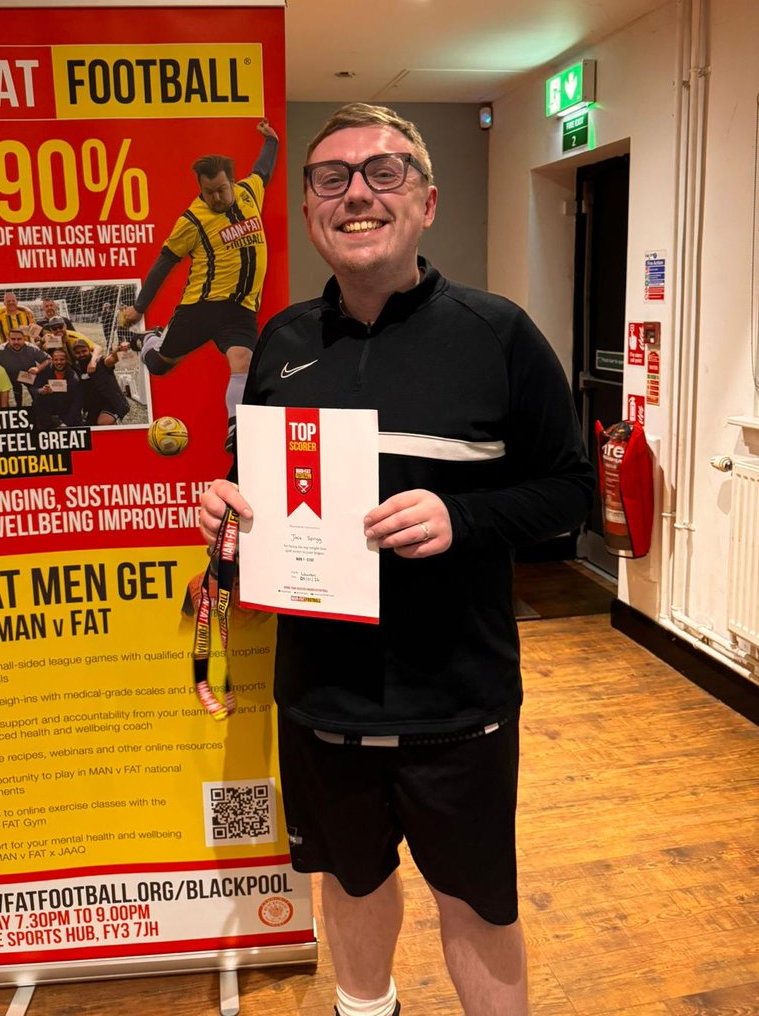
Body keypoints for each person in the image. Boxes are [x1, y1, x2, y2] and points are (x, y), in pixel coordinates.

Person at [199, 104, 595, 1016]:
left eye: (384, 173)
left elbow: (572, 492)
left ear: (426, 202)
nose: (357, 195)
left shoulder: (497, 333)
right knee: (351, 881)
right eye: (330, 178)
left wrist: (464, 516)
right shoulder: (283, 343)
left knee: (478, 905)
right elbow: (253, 487)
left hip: (458, 699)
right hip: (322, 695)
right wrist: (225, 514)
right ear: (308, 209)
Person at [121, 119, 279, 451]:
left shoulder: (249, 192)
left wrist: (272, 141)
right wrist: (138, 308)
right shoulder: (192, 220)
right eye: (209, 192)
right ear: (201, 188)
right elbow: (165, 262)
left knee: (243, 362)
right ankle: (149, 340)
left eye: (221, 189)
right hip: (201, 308)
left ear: (232, 182)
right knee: (160, 366)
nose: (217, 197)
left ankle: (236, 429)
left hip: (241, 308)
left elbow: (263, 170)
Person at [70, 339, 131, 426]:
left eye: (84, 351)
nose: (81, 354)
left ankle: (115, 423)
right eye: (78, 353)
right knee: (89, 428)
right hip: (93, 406)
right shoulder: (76, 367)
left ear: (90, 350)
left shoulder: (99, 362)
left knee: (103, 422)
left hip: (111, 402)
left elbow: (112, 358)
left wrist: (120, 349)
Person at [0, 328, 51, 408]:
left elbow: (48, 359)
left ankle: (38, 409)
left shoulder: (32, 348)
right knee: (16, 395)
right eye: (13, 339)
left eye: (19, 339)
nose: (16, 342)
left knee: (36, 395)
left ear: (24, 338)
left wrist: (38, 368)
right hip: (10, 376)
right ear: (8, 339)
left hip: (28, 375)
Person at [32, 346, 83, 429]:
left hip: (67, 413)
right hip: (49, 413)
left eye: (62, 359)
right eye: (56, 360)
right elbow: (33, 389)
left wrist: (66, 423)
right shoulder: (44, 372)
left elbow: (77, 402)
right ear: (52, 360)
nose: (59, 362)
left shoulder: (73, 377)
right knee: (37, 401)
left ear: (66, 360)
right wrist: (41, 390)